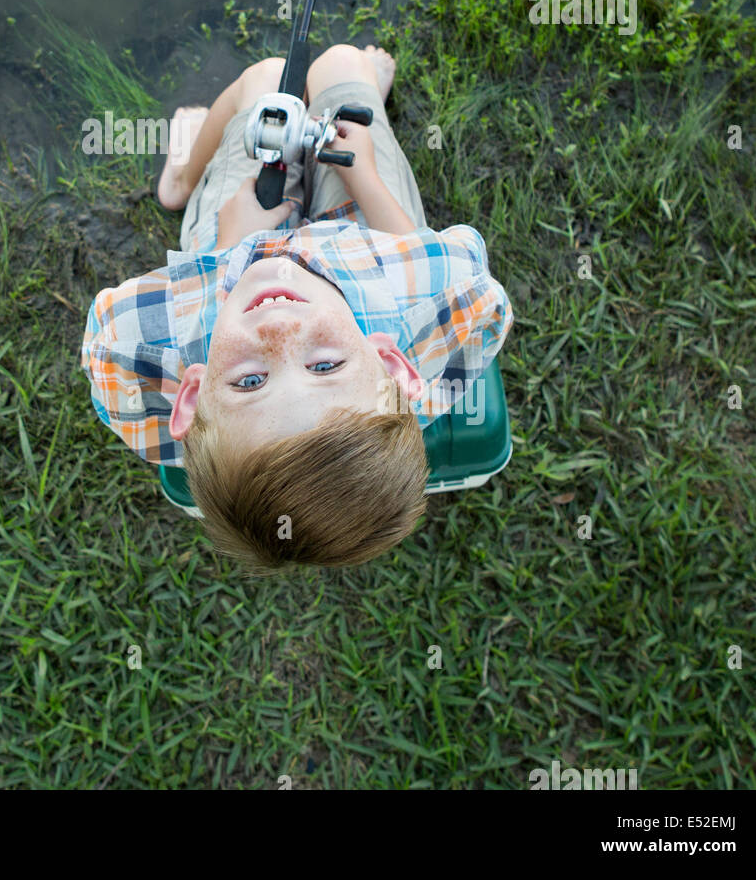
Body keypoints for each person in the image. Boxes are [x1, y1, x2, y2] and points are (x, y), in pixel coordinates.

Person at [80, 43, 513, 574]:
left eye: (248, 381)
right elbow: (423, 257)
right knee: (339, 65)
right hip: (362, 241)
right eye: (325, 366)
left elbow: (122, 331)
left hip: (235, 235)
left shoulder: (174, 337)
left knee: (265, 84)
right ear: (392, 364)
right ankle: (358, 96)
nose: (281, 329)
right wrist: (365, 177)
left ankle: (180, 178)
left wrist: (229, 248)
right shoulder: (410, 319)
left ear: (191, 394)